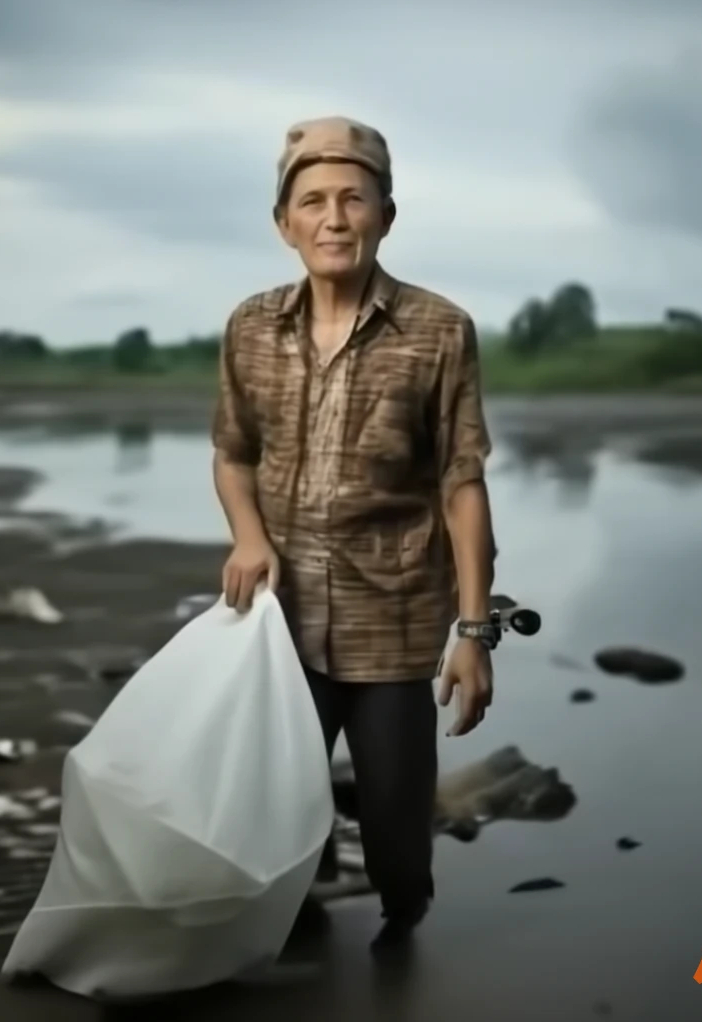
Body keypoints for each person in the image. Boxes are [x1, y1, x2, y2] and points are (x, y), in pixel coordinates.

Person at [210, 116, 498, 953]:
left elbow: (462, 483)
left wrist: (474, 634)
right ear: (284, 223)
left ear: (386, 215)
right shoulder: (251, 327)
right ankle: (291, 924)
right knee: (273, 809)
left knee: (395, 831)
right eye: (313, 202)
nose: (334, 218)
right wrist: (248, 537)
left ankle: (403, 918)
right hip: (278, 618)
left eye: (353, 199)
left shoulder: (439, 331)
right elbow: (232, 456)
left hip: (396, 616)